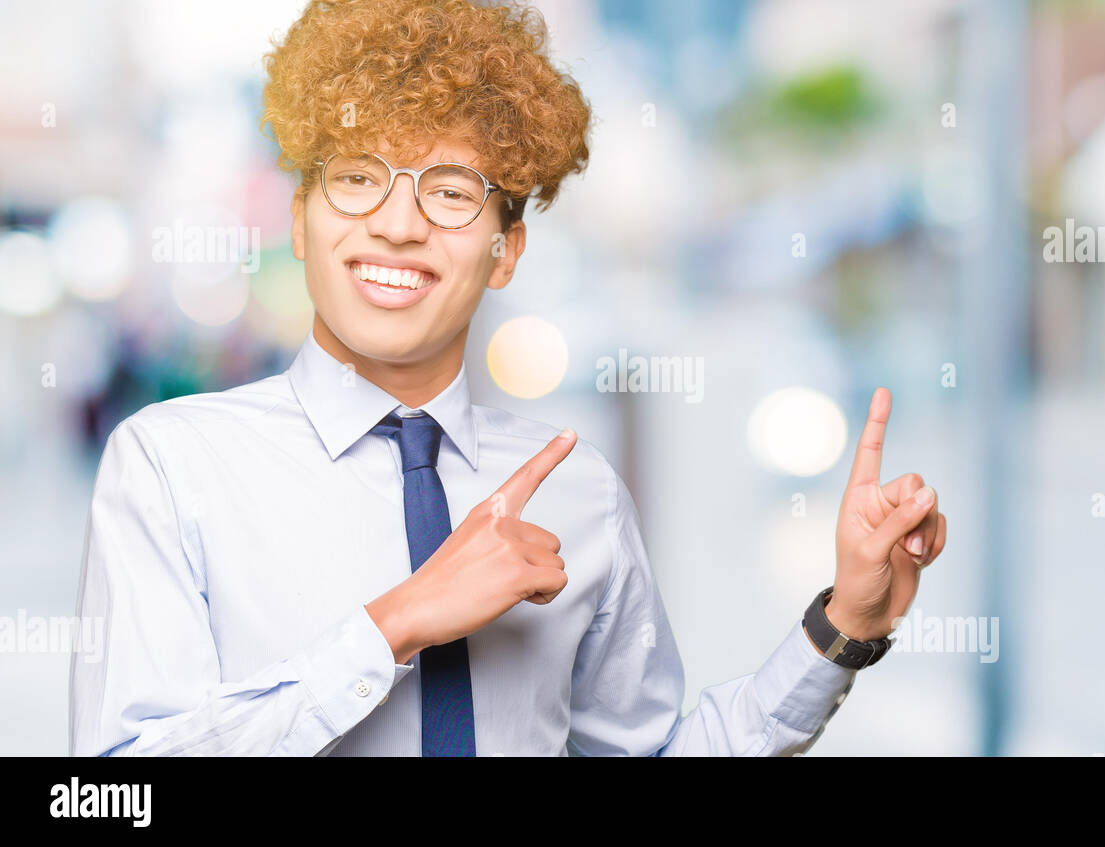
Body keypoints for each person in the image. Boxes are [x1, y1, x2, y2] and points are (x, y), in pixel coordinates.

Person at [69, 0, 947, 756]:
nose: (399, 224)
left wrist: (846, 627)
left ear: (505, 249)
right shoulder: (170, 467)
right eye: (357, 179)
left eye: (450, 191)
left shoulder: (579, 495)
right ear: (300, 220)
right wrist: (395, 625)